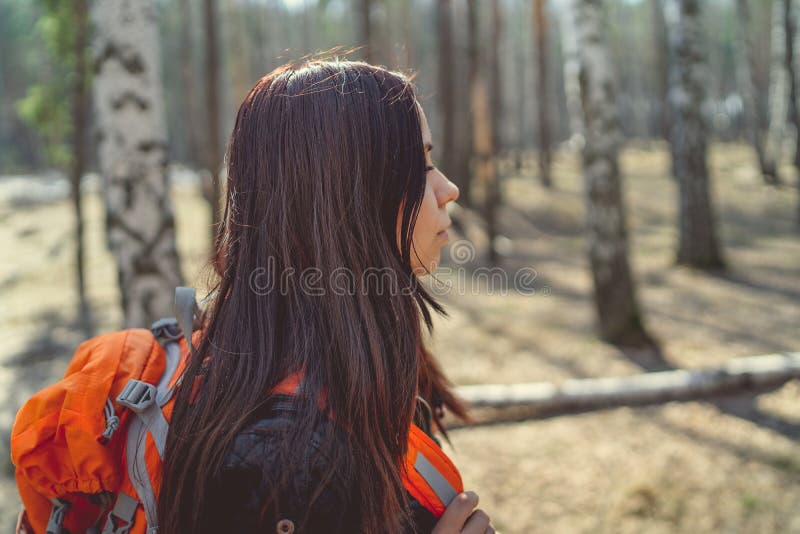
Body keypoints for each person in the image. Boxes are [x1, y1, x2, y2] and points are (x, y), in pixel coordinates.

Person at [156, 58, 495, 533]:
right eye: (421, 165)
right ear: (350, 196)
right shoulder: (282, 467)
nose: (449, 188)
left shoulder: (352, 365)